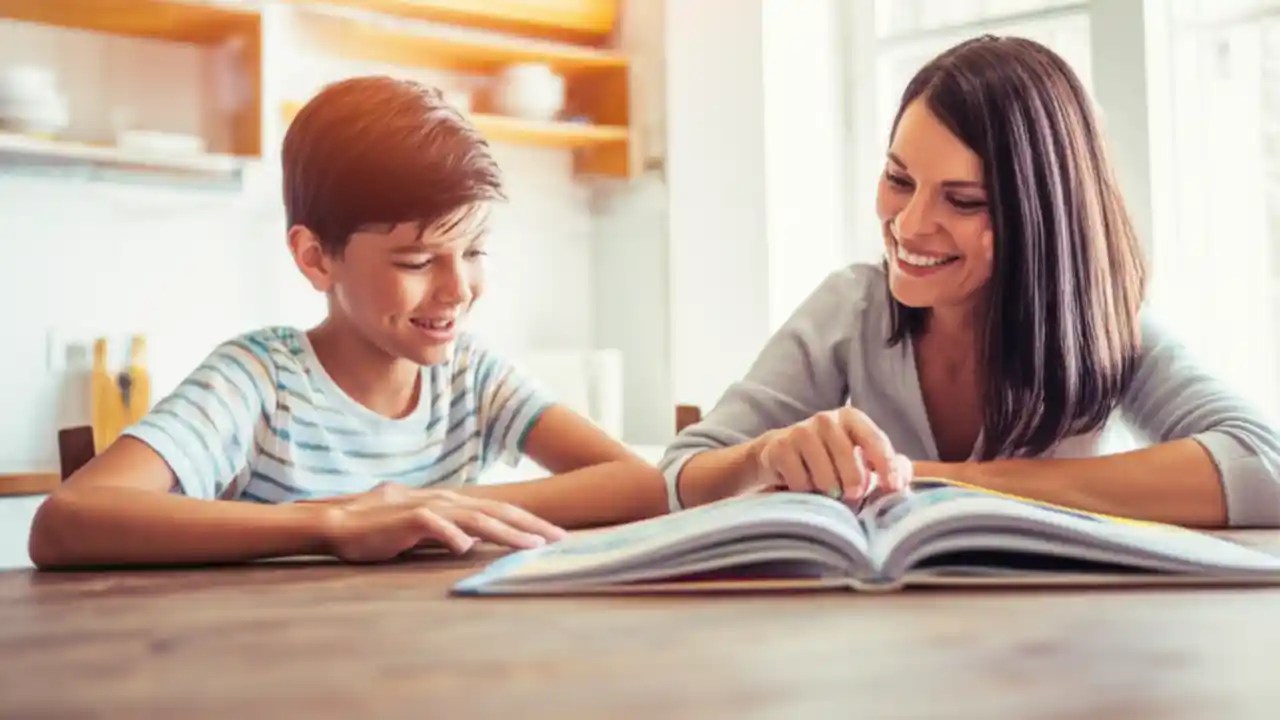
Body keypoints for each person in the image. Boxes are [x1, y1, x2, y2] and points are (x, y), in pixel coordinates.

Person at [29, 76, 667, 568]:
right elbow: (66, 520)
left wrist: (437, 510)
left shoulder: (472, 376)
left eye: (472, 252)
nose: (457, 289)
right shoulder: (260, 379)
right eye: (417, 260)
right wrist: (332, 523)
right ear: (315, 258)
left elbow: (637, 486)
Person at [660, 36, 1280, 528]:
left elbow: (1265, 466)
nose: (908, 224)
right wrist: (763, 456)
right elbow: (681, 469)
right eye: (899, 180)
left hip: (1073, 646)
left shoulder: (1108, 327)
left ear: (1043, 219)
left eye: (962, 200)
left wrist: (946, 481)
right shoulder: (851, 308)